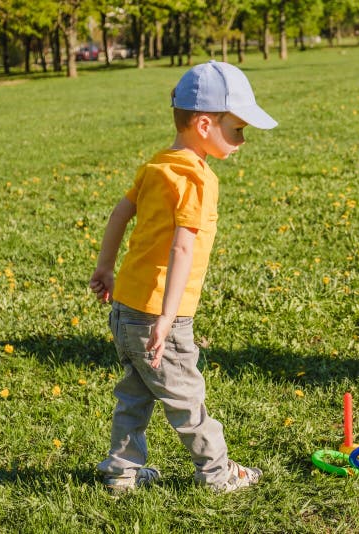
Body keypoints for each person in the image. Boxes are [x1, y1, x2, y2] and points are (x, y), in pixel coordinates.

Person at [88, 60, 277, 494]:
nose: (242, 140)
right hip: (160, 317)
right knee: (187, 399)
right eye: (237, 129)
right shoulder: (196, 178)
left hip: (126, 309)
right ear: (205, 124)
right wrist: (168, 319)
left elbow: (121, 213)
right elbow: (182, 248)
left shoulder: (157, 165)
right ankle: (216, 473)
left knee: (134, 396)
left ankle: (122, 471)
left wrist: (104, 266)